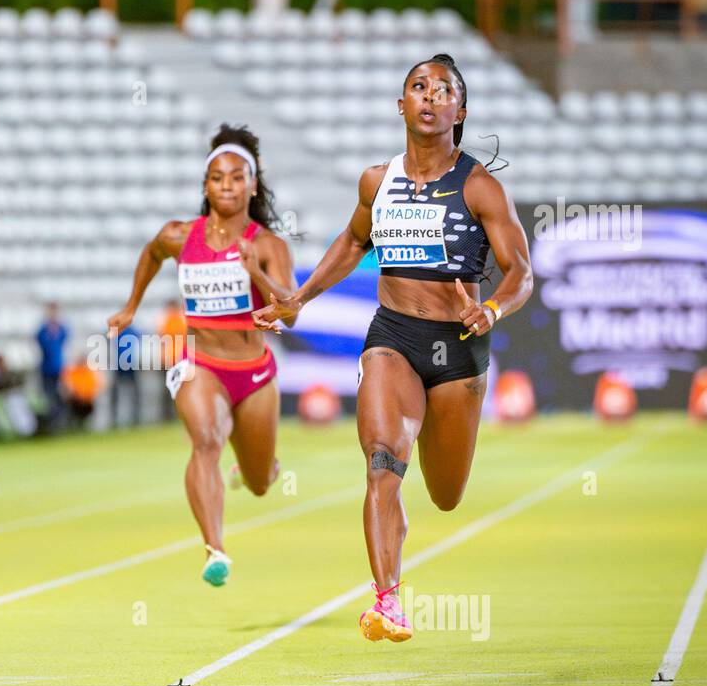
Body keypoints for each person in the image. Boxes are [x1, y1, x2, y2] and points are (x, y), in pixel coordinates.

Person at [254, 54, 533, 642]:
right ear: (400, 104)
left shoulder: (480, 187)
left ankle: (404, 528)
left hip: (457, 348)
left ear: (459, 111)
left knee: (446, 494)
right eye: (418, 86)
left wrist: (491, 309)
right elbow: (354, 240)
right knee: (382, 461)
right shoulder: (376, 182)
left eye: (444, 90)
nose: (430, 96)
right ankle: (388, 601)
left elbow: (522, 273)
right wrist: (299, 297)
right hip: (394, 337)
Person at [109, 124, 294, 587]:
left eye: (236, 177)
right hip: (202, 365)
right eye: (217, 178)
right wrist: (131, 306)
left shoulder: (268, 245)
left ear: (253, 185)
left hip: (252, 375)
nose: (226, 186)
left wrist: (259, 275)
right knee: (206, 442)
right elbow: (151, 254)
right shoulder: (178, 235)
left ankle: (259, 466)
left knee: (258, 483)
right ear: (205, 185)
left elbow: (290, 311)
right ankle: (216, 549)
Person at [35, 303, 67, 431]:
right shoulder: (43, 330)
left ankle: (59, 424)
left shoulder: (61, 329)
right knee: (48, 398)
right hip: (46, 369)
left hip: (59, 369)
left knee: (60, 398)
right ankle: (50, 426)